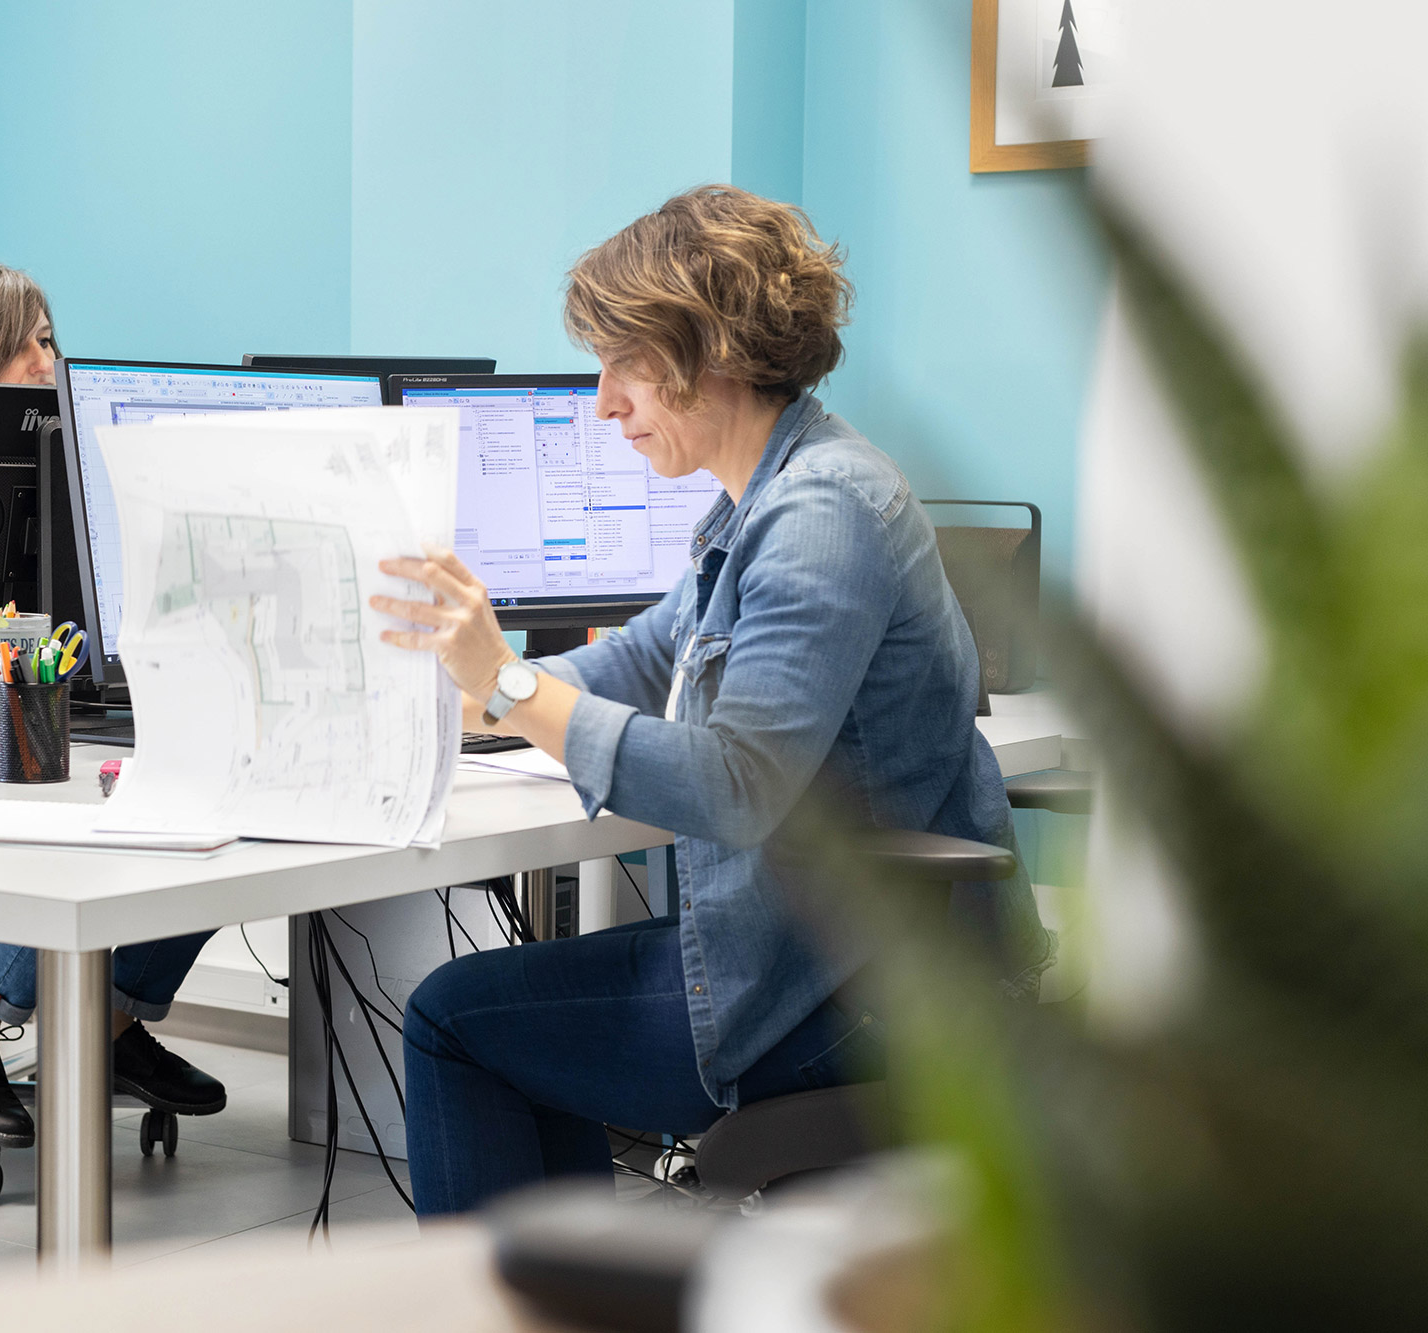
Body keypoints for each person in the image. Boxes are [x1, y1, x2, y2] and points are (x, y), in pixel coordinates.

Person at [370, 186, 1053, 1215]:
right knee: (509, 1028)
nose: (602, 403)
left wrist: (505, 682)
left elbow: (735, 786)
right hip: (824, 951)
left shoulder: (821, 515)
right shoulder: (764, 504)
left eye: (621, 366)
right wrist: (458, 687)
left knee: (453, 1021)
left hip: (850, 989)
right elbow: (629, 666)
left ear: (708, 349)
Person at [0, 259, 227, 1149]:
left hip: (65, 713)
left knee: (215, 808)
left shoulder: (81, 460)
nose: (55, 361)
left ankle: (112, 1024)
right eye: (37, 344)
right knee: (89, 846)